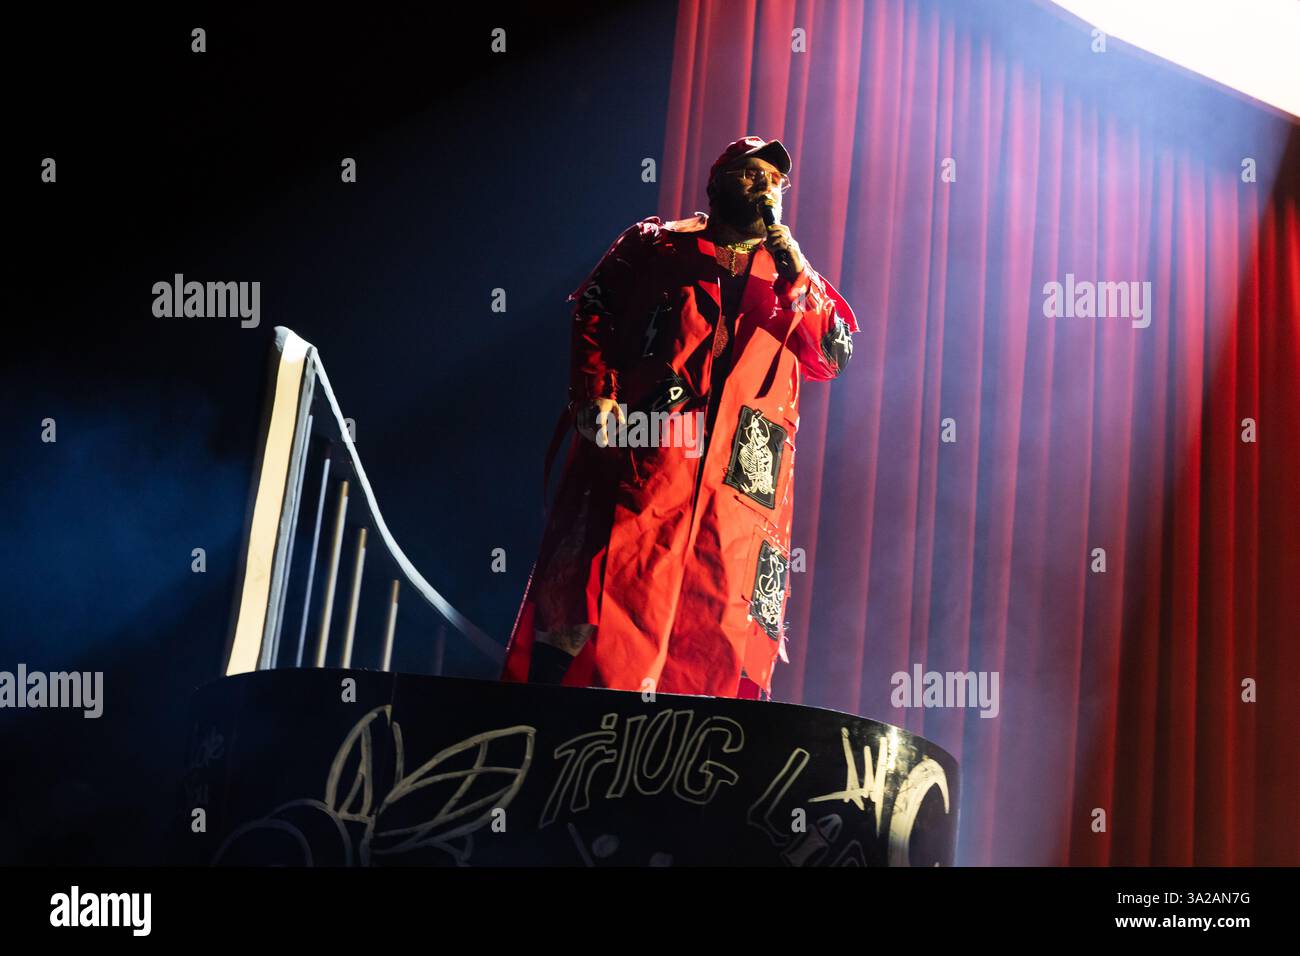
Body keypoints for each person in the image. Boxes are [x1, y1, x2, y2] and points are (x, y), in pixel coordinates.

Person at [501, 136, 858, 700]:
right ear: (716, 183)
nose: (765, 185)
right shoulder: (657, 245)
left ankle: (692, 760)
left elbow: (830, 357)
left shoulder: (793, 274)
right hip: (655, 437)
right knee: (611, 575)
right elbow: (595, 306)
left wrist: (797, 274)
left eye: (775, 180)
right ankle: (548, 723)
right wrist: (599, 391)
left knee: (716, 609)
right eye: (750, 173)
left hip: (743, 468)